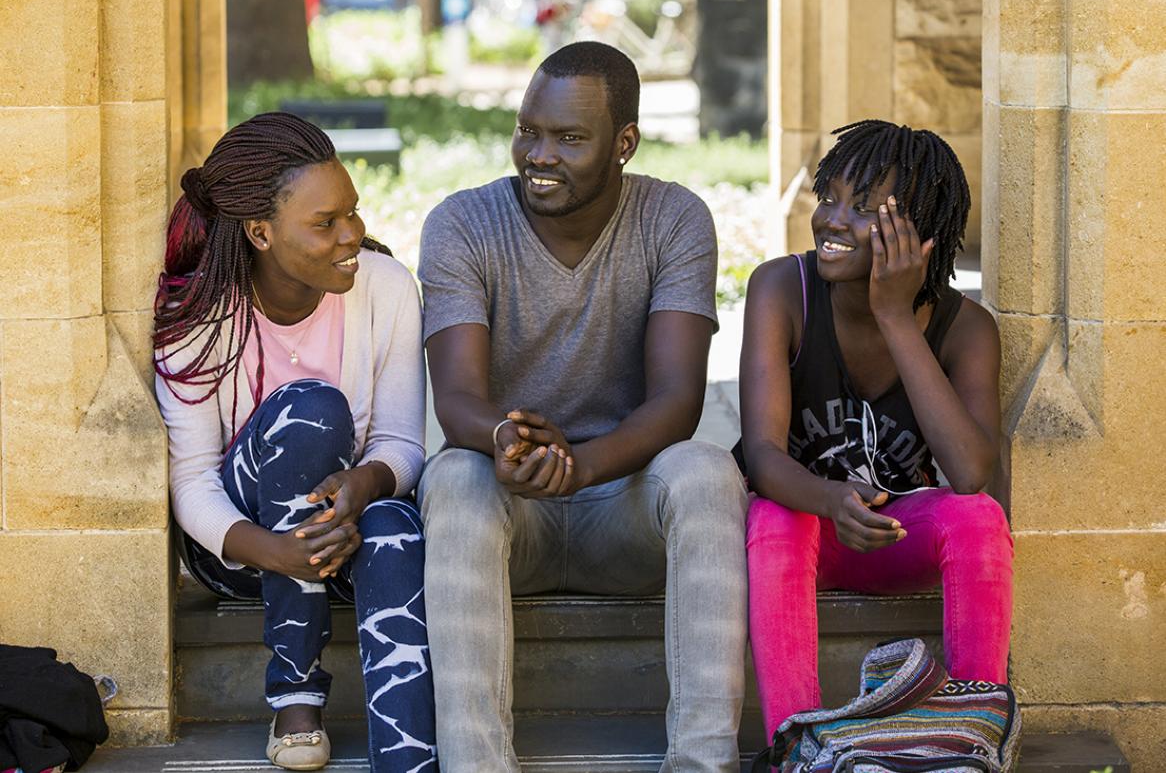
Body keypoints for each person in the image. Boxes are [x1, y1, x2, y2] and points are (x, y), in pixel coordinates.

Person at [416, 41, 748, 772]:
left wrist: (583, 465)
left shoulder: (674, 219)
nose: (540, 154)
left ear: (623, 142)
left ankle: (701, 761)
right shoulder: (462, 225)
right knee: (452, 477)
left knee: (706, 471)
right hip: (512, 508)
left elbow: (678, 400)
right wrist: (504, 436)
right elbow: (459, 400)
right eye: (529, 130)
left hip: (623, 508)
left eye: (569, 138)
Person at [153, 113, 437, 772]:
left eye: (354, 213)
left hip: (345, 530)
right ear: (260, 231)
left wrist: (363, 485)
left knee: (395, 522)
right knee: (310, 408)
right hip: (243, 547)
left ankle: (409, 756)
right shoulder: (196, 315)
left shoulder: (386, 288)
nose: (352, 235)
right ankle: (297, 696)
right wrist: (278, 551)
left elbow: (400, 442)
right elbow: (191, 481)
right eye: (326, 222)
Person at [737, 120, 1013, 738]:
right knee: (773, 513)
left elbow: (970, 473)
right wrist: (830, 500)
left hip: (897, 534)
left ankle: (975, 724)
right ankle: (799, 738)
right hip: (809, 532)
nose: (832, 220)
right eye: (828, 197)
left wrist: (896, 314)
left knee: (980, 518)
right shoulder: (783, 290)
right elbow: (762, 454)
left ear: (921, 236)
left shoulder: (966, 329)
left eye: (863, 210)